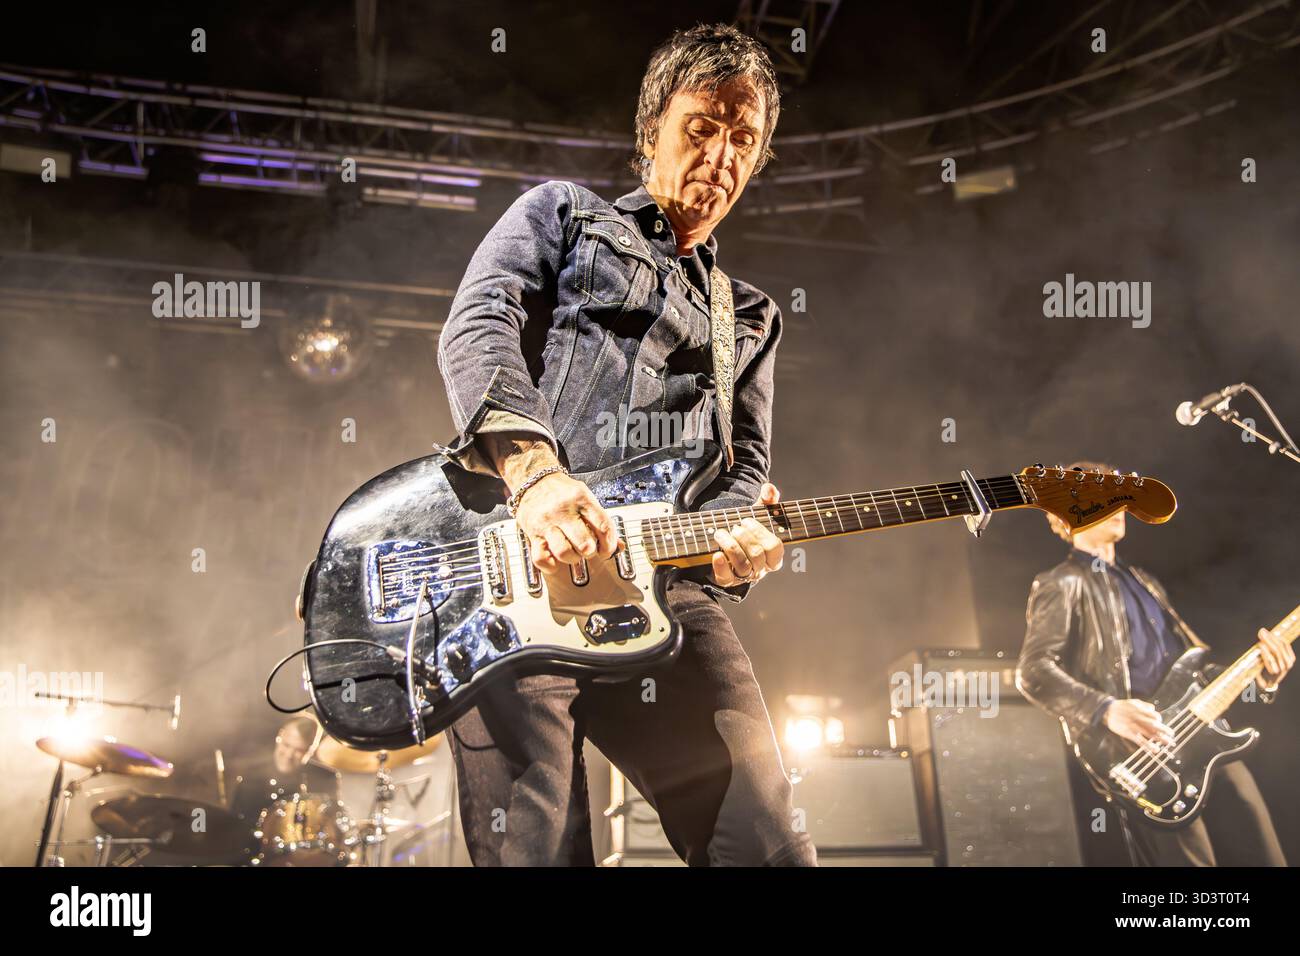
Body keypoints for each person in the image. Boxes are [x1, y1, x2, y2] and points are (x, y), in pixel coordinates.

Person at [433, 23, 815, 866]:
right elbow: (478, 322)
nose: (720, 156)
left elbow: (743, 462)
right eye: (701, 127)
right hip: (513, 577)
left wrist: (736, 535)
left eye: (743, 138)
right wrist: (535, 477)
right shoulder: (563, 215)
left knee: (766, 843)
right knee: (535, 848)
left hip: (665, 594)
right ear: (652, 135)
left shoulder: (747, 317)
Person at [1016, 462, 1292, 866]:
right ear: (1064, 514)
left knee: (1266, 855)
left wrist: (1262, 677)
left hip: (1206, 735)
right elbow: (1033, 672)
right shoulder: (1061, 583)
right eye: (1100, 495)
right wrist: (1106, 710)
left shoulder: (1145, 581)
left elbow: (1200, 670)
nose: (1119, 503)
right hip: (1144, 755)